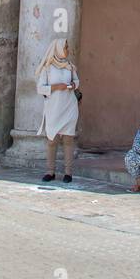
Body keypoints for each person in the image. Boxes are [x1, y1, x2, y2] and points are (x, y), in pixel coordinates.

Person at [36, 37, 80, 183]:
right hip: (53, 108)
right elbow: (40, 88)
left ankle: (68, 173)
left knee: (68, 140)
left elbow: (77, 81)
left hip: (69, 106)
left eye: (67, 47)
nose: (68, 50)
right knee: (52, 140)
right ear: (58, 49)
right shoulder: (47, 68)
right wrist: (56, 87)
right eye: (65, 47)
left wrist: (73, 85)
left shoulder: (69, 66)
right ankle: (50, 172)